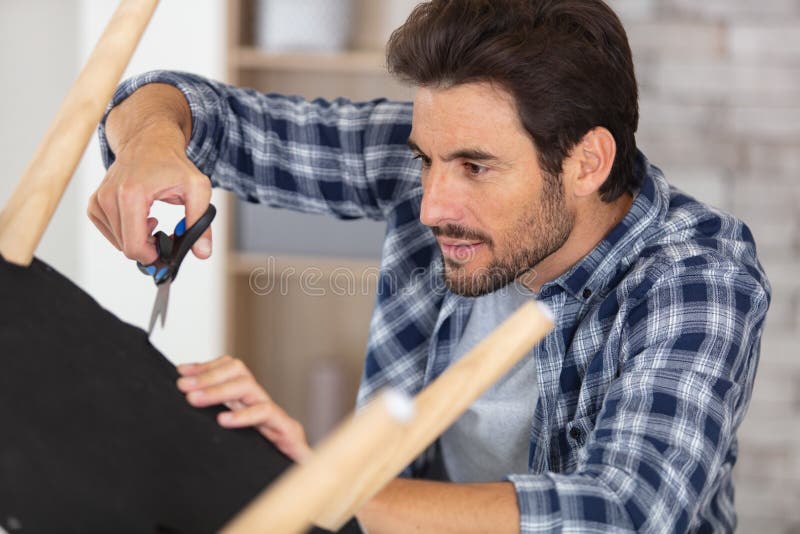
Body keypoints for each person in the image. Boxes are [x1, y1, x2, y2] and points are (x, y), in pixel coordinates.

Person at [88, 0, 770, 531]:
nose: (432, 203)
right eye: (426, 160)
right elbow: (186, 106)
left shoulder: (697, 276)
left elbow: (623, 516)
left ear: (587, 161)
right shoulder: (434, 149)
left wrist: (329, 489)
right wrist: (152, 146)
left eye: (476, 167)